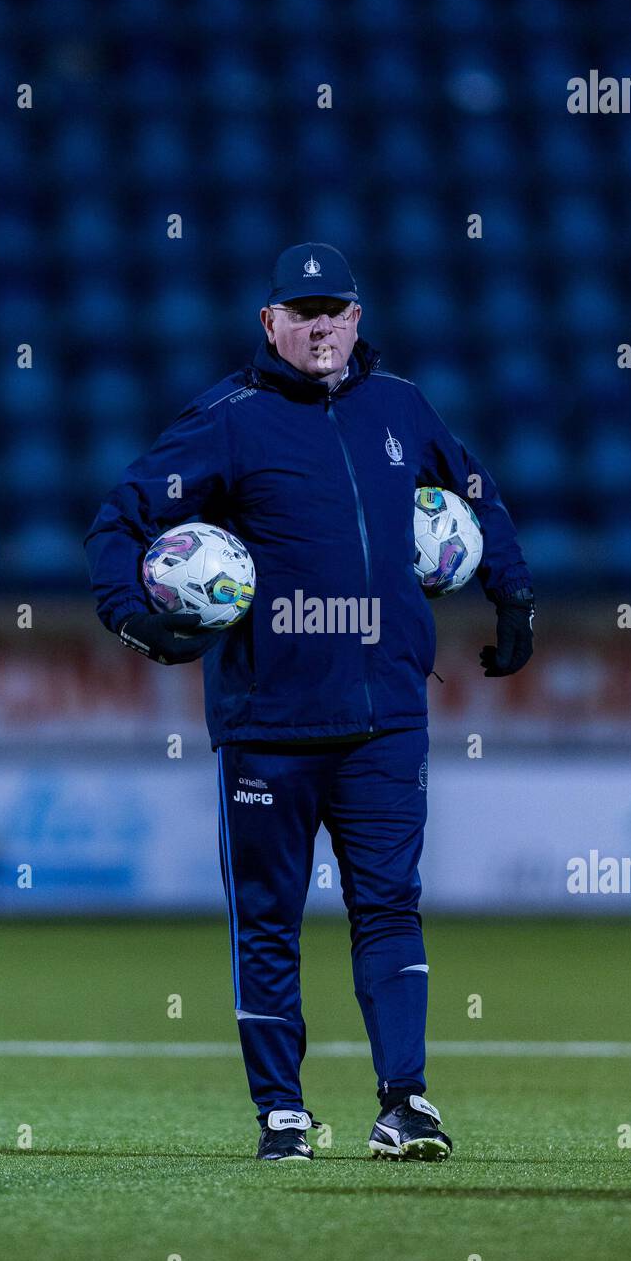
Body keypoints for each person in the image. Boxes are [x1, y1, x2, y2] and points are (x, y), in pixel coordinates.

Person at [85, 242, 534, 1162]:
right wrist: (133, 617)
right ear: (270, 323)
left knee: (390, 908)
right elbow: (120, 515)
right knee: (267, 920)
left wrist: (513, 593)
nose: (320, 324)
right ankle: (282, 1114)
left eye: (335, 309)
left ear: (357, 318)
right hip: (270, 723)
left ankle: (404, 1103)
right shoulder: (228, 419)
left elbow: (476, 493)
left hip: (386, 718)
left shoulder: (401, 407)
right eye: (302, 310)